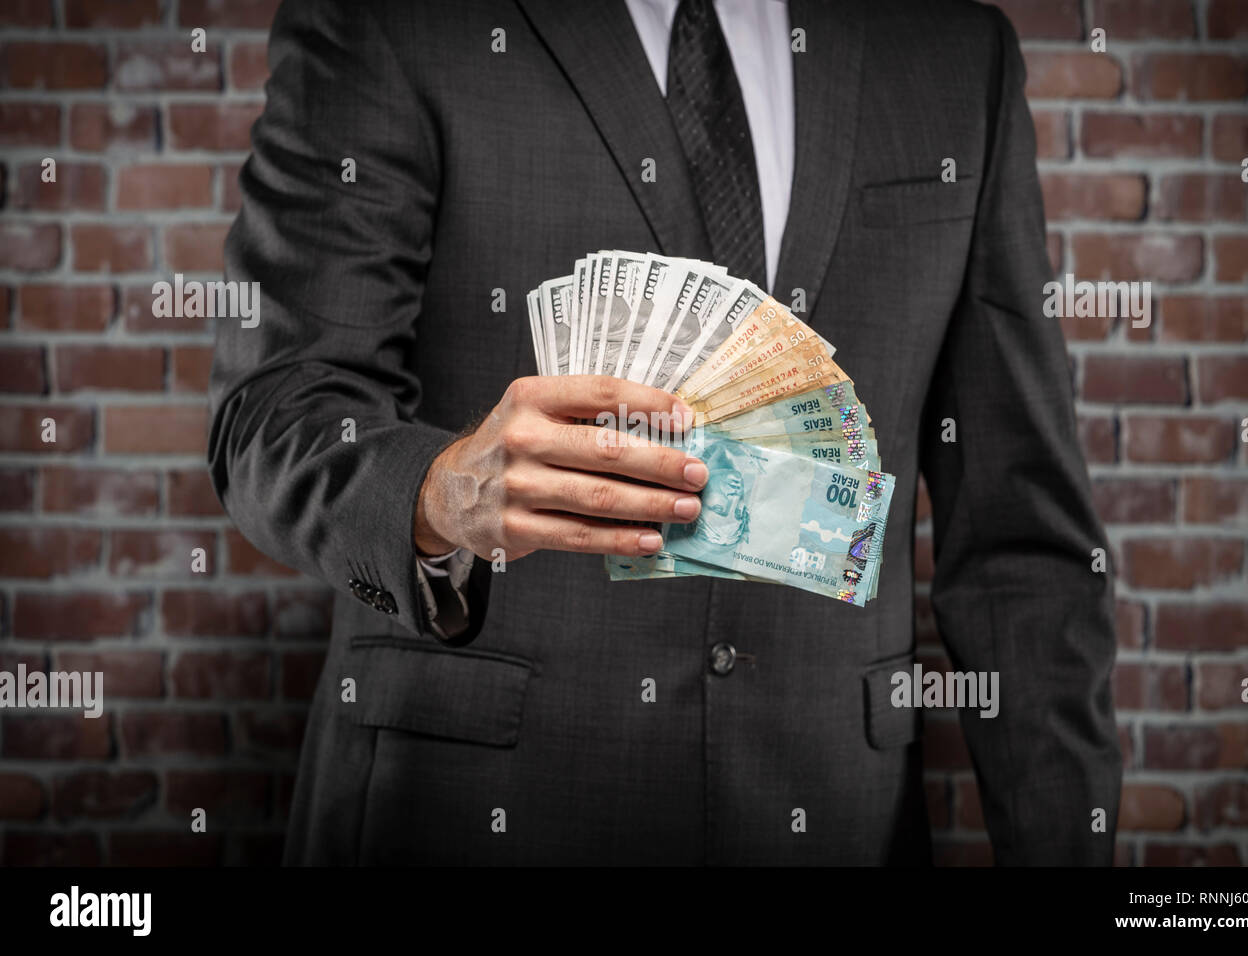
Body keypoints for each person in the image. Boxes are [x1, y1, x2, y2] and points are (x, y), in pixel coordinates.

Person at [209, 0, 1122, 865]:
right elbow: (275, 412)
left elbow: (1019, 547)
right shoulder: (401, 21)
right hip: (471, 806)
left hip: (831, 815)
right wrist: (444, 491)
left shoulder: (952, 56)